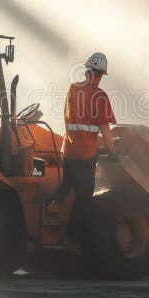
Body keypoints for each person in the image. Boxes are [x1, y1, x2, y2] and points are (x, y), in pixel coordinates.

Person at [61, 51, 116, 242]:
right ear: (100, 74)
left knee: (66, 193)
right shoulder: (99, 95)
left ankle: (58, 232)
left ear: (87, 70)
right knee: (83, 200)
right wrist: (112, 150)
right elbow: (105, 129)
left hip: (68, 152)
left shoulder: (72, 89)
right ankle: (73, 238)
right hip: (85, 156)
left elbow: (75, 122)